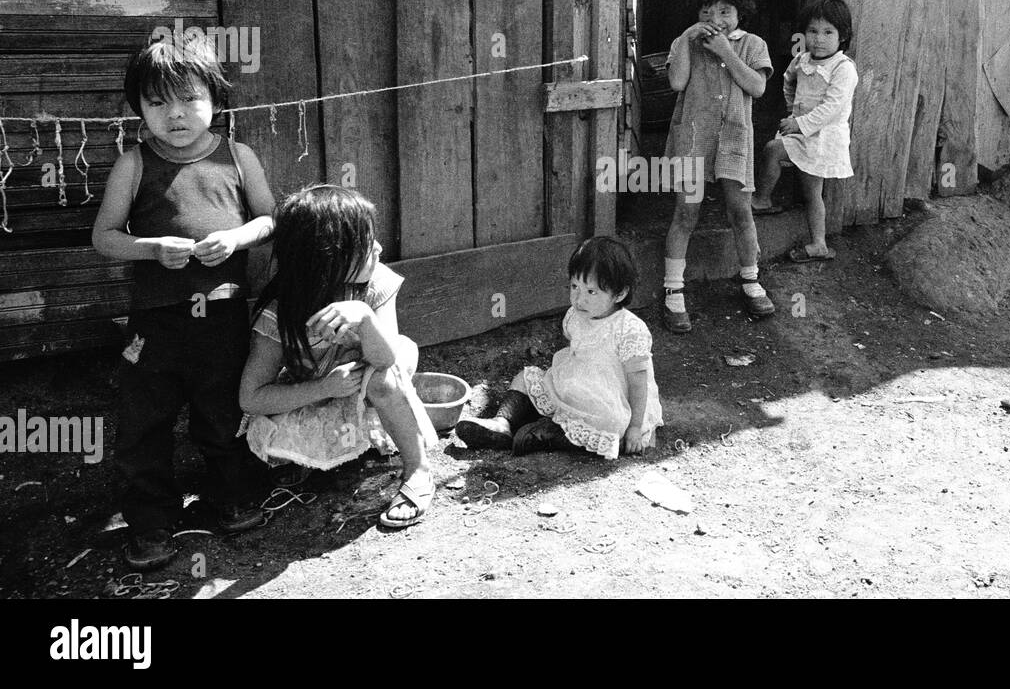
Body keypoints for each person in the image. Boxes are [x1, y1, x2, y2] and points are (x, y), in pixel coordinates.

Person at [92, 32, 276, 572]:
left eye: (189, 99)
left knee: (225, 412)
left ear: (215, 97)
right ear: (139, 109)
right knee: (145, 422)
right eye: (157, 103)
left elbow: (271, 219)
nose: (175, 115)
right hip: (156, 324)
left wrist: (237, 239)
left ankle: (234, 497)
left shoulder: (238, 158)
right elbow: (104, 236)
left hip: (223, 318)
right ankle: (149, 524)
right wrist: (150, 248)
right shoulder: (134, 164)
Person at [238, 185, 437, 529]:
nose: (378, 247)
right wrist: (325, 388)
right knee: (280, 436)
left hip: (369, 379)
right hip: (320, 389)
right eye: (365, 242)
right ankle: (320, 457)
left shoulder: (375, 283)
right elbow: (250, 398)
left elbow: (386, 357)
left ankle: (417, 468)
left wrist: (364, 317)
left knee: (383, 379)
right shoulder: (280, 313)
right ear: (328, 257)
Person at [456, 236, 662, 458]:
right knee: (524, 379)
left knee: (610, 423)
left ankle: (551, 436)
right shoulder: (576, 315)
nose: (579, 298)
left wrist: (634, 428)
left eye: (591, 292)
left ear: (619, 293)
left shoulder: (630, 329)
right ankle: (502, 423)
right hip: (577, 382)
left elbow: (639, 382)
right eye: (575, 286)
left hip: (607, 400)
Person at [661, 0, 775, 333]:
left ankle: (751, 280)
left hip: (734, 141)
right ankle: (673, 292)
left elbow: (757, 88)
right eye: (707, 11)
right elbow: (677, 83)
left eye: (725, 11)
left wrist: (726, 51)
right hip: (694, 139)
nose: (717, 18)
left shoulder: (753, 45)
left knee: (740, 211)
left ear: (740, 11)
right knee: (686, 213)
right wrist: (685, 38)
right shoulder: (688, 44)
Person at [752, 0, 859, 262]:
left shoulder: (844, 69)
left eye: (827, 32)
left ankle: (818, 244)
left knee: (812, 191)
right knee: (773, 151)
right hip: (802, 132)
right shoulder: (802, 60)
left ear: (842, 36)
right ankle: (763, 200)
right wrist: (793, 110)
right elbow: (788, 82)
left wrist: (799, 123)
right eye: (812, 31)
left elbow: (832, 108)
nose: (818, 39)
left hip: (823, 139)